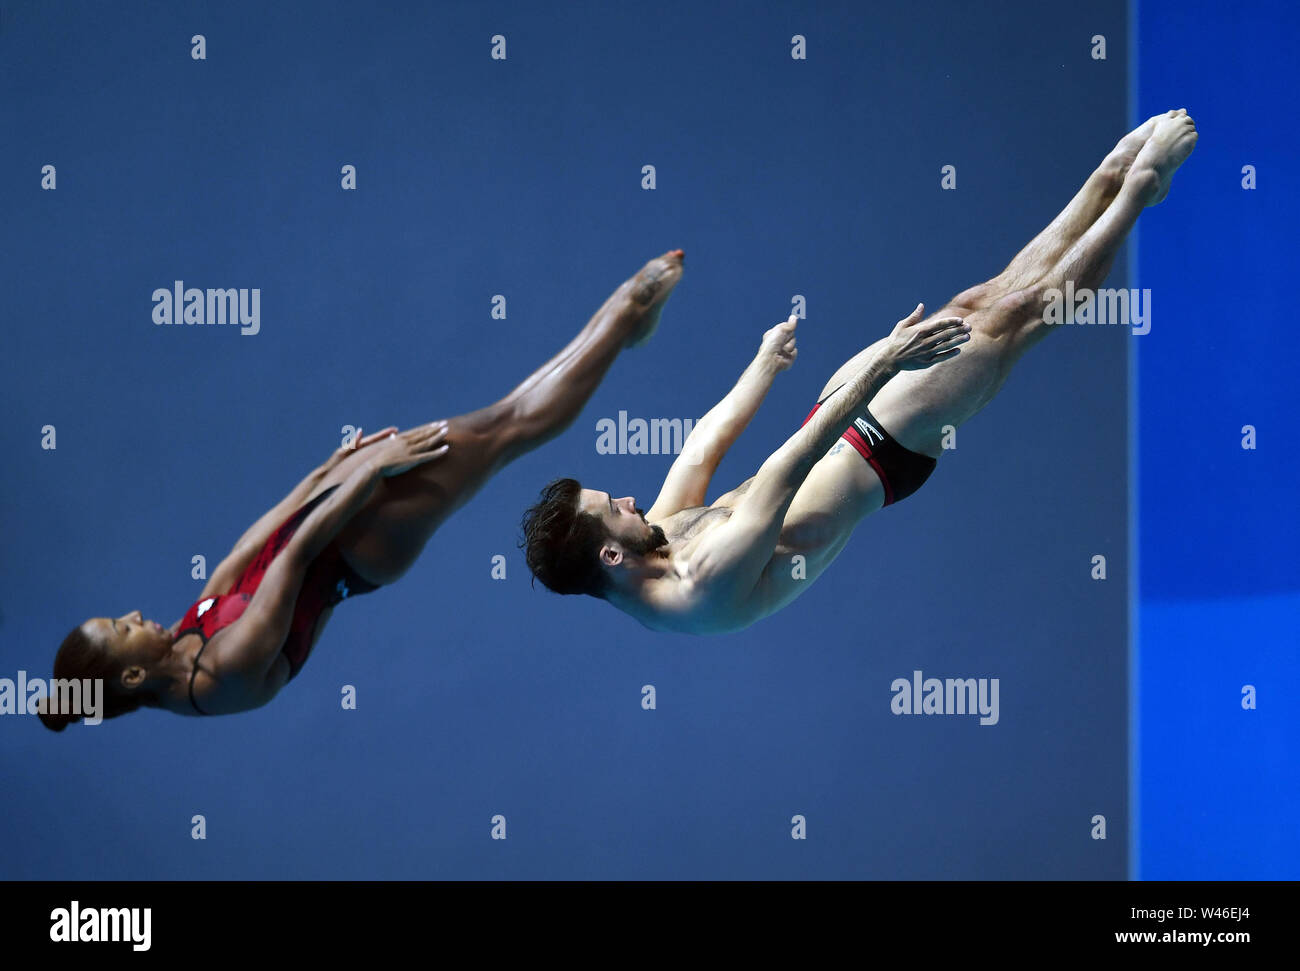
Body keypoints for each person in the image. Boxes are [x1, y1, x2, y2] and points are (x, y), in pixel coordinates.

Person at [522, 112, 1198, 634]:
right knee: (1020, 318)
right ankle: (1139, 189)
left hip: (841, 418)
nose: (632, 502)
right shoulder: (702, 585)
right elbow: (786, 472)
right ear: (611, 557)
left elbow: (703, 443)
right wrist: (885, 363)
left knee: (977, 304)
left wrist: (763, 366)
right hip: (877, 446)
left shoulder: (654, 539)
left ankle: (1108, 175)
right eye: (616, 510)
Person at [40, 249, 685, 726]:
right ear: (130, 673)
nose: (132, 615)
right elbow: (291, 563)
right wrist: (367, 474)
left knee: (502, 423)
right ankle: (625, 317)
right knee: (507, 430)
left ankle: (624, 324)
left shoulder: (183, 640)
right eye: (121, 628)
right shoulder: (216, 679)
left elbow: (244, 558)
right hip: (361, 546)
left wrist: (326, 470)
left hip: (335, 515)